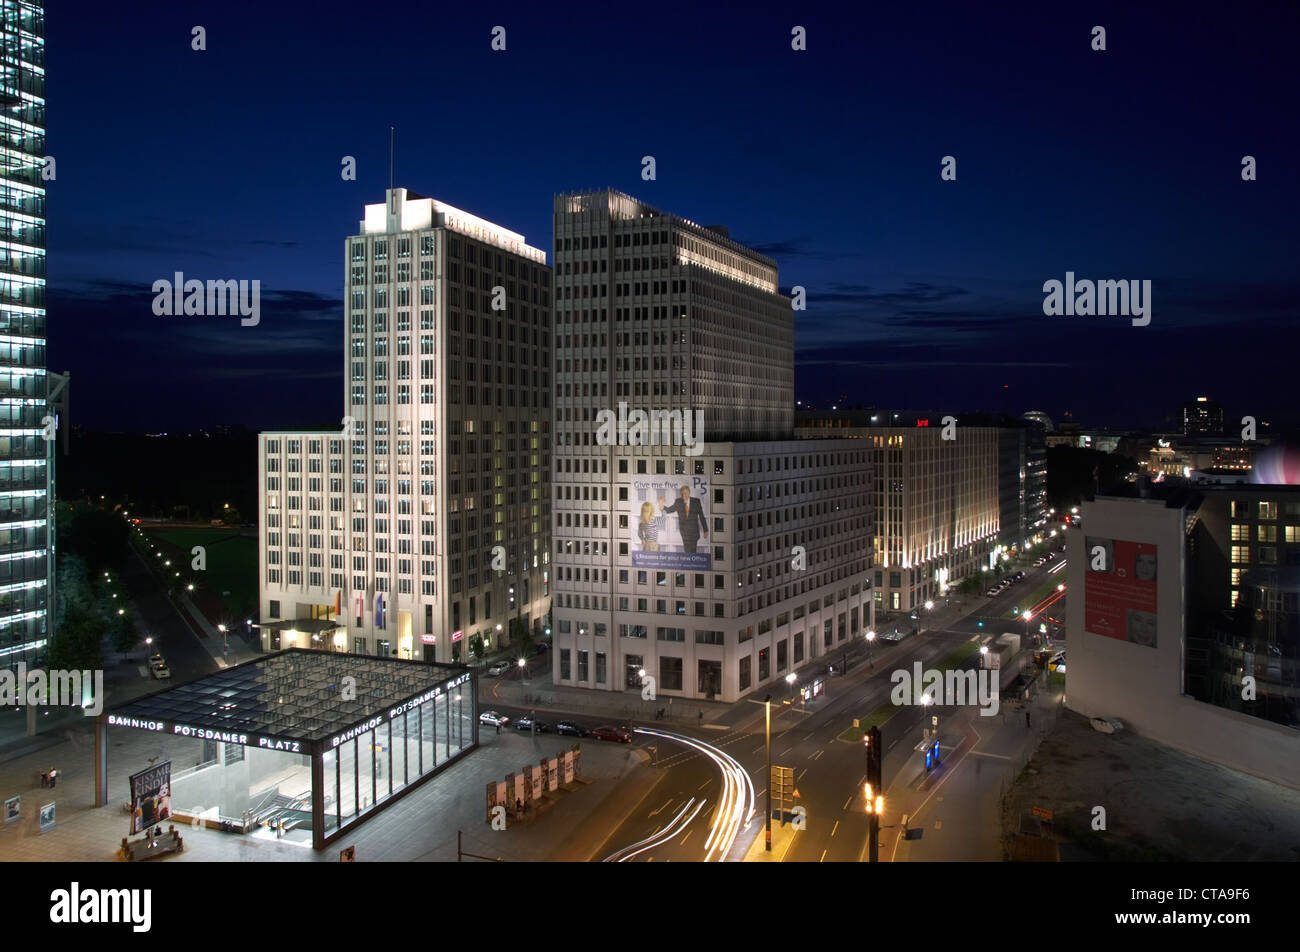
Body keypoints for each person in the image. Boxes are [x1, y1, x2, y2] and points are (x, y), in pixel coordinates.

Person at [659, 485, 708, 554]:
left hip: (694, 532)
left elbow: (701, 516)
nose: (683, 495)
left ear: (689, 493)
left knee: (693, 551)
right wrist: (662, 506)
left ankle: (692, 564)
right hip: (684, 532)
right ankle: (688, 563)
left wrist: (705, 530)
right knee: (687, 551)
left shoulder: (696, 501)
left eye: (685, 493)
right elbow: (669, 510)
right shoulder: (678, 501)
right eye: (682, 494)